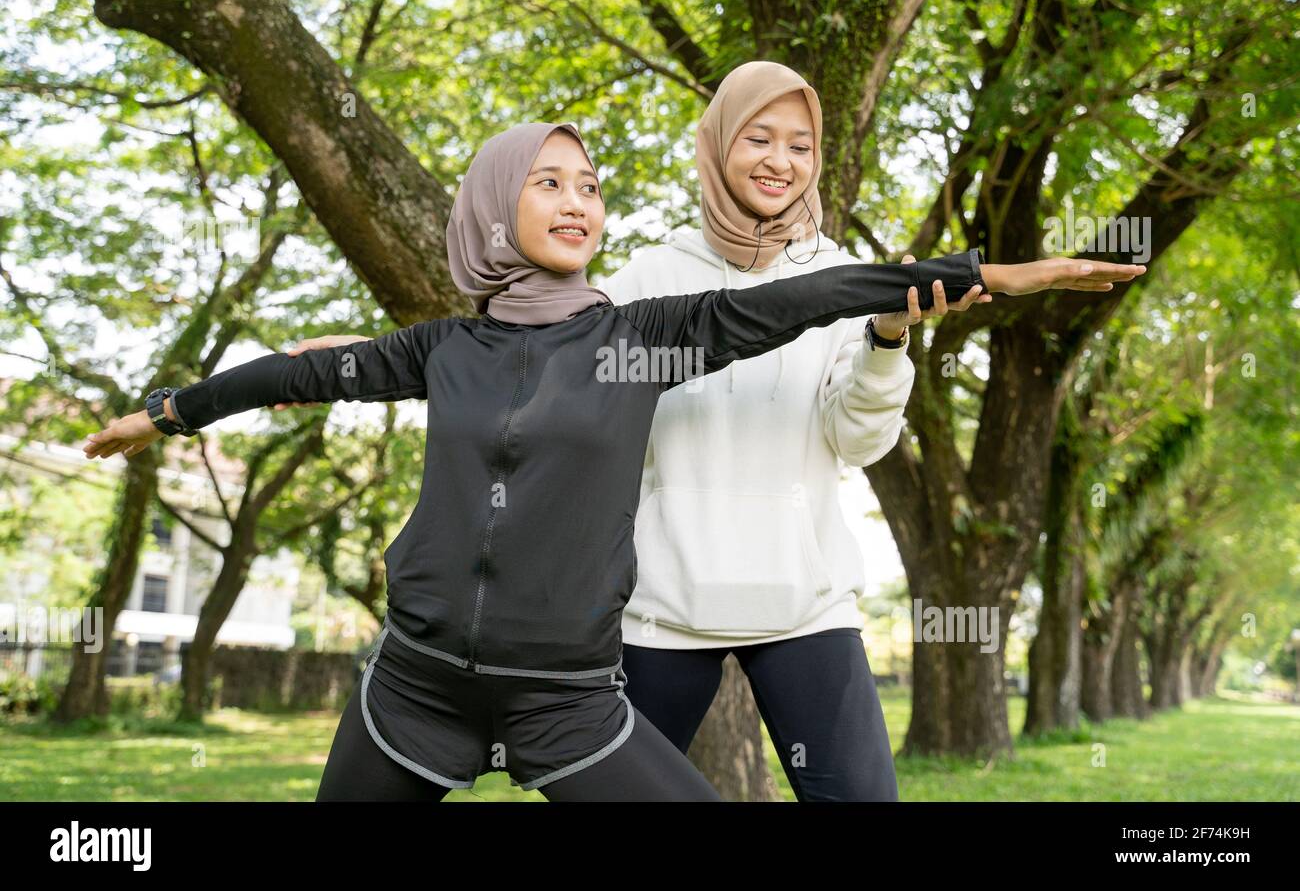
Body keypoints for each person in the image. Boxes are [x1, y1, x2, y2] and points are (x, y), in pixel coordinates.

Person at [83, 119, 1143, 801]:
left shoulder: (635, 339)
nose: (579, 201)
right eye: (549, 182)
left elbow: (802, 298)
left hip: (568, 700)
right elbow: (289, 375)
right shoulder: (440, 349)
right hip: (409, 689)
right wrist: (165, 411)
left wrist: (990, 276)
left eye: (590, 185)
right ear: (496, 207)